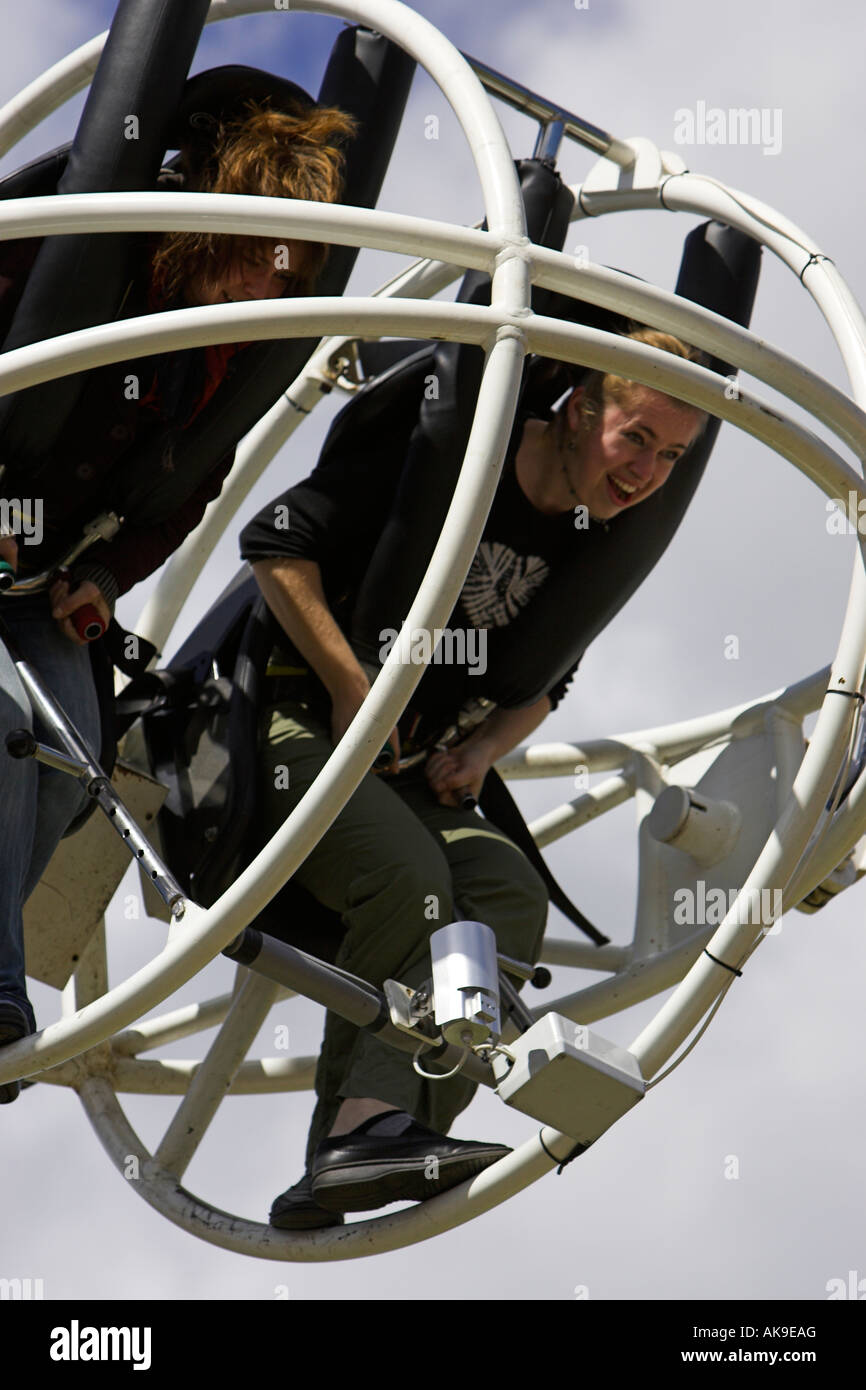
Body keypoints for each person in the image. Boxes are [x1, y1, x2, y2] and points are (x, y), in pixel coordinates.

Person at [238, 324, 708, 1228]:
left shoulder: (594, 532)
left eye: (672, 456)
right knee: (412, 882)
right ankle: (364, 1130)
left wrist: (485, 748)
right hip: (295, 722)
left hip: (414, 766)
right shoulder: (450, 461)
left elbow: (548, 680)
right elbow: (274, 545)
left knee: (502, 894)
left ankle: (380, 1131)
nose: (647, 471)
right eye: (636, 437)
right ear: (577, 410)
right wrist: (350, 687)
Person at [0, 74, 358, 1103]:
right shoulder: (71, 233)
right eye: (254, 260)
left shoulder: (218, 353)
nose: (261, 291)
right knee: (5, 725)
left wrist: (103, 576)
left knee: (70, 766)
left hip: (35, 578)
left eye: (281, 273)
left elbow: (185, 490)